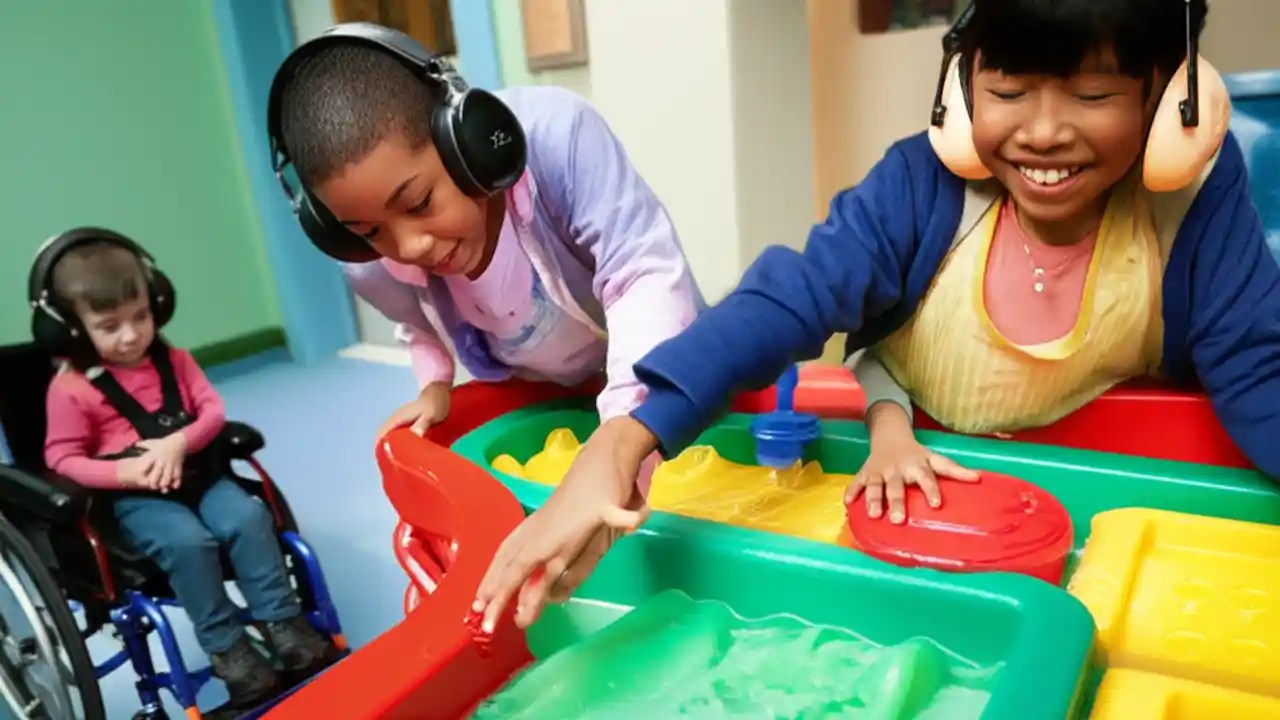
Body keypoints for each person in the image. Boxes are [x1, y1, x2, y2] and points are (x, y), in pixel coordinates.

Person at [473, 0, 1280, 632]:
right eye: (1005, 91)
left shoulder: (1195, 206)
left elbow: (1258, 370)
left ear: (1172, 93)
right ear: (963, 87)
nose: (1042, 132)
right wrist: (626, 438)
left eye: (1093, 95)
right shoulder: (920, 186)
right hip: (926, 498)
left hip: (1097, 510)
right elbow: (791, 297)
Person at [268, 25, 702, 442]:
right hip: (549, 395)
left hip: (661, 367)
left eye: (420, 203)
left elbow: (642, 274)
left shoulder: (558, 137)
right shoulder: (369, 264)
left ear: (466, 143)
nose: (408, 247)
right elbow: (416, 323)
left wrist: (622, 428)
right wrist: (436, 382)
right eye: (369, 231)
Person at [39, 233, 340, 709]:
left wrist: (180, 442)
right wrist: (126, 474)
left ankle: (283, 622)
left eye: (140, 317)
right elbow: (61, 459)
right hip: (138, 496)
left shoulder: (174, 360)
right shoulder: (71, 390)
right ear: (73, 330)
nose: (131, 335)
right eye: (109, 325)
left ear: (157, 302)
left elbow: (212, 412)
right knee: (187, 543)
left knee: (248, 518)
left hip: (201, 473)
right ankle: (228, 650)